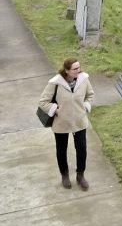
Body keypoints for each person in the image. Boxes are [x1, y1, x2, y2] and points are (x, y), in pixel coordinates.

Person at [39, 57, 96, 190]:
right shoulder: (55, 83)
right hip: (61, 123)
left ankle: (80, 175)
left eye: (79, 67)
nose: (78, 70)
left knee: (81, 149)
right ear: (66, 70)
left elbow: (90, 95)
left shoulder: (84, 80)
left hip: (79, 121)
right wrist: (56, 110)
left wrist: (86, 106)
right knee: (61, 150)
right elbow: (43, 102)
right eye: (75, 69)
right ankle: (64, 175)